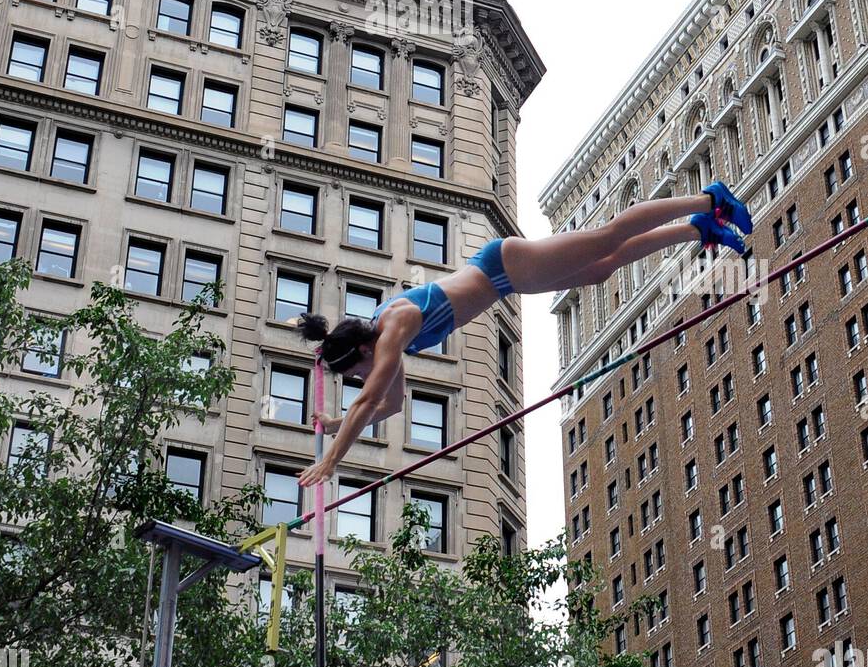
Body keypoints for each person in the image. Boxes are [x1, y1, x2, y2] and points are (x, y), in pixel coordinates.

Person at [297, 180, 751, 487]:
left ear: (361, 349)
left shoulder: (392, 326)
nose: (360, 377)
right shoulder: (383, 344)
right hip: (505, 281)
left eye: (355, 370)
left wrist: (332, 459)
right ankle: (696, 230)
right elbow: (390, 405)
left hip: (504, 264)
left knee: (608, 238)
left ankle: (708, 201)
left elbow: (367, 399)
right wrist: (337, 427)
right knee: (600, 270)